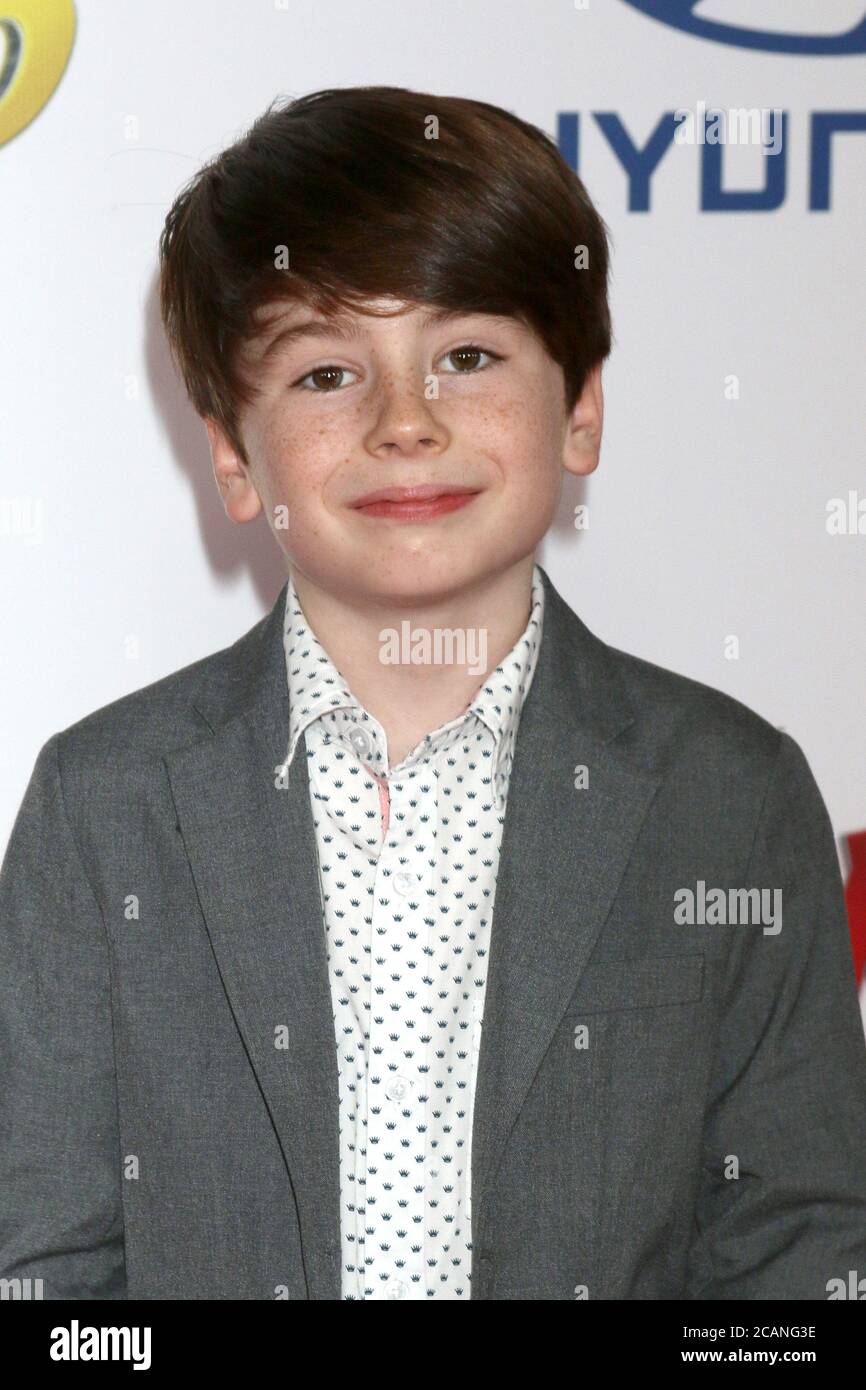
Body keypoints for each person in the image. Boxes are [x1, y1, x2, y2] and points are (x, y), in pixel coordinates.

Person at [2, 85, 865, 1301]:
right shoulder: (104, 804)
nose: (405, 422)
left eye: (466, 357)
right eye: (323, 374)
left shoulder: (728, 790)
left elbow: (795, 1253)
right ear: (235, 460)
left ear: (580, 409)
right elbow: (42, 1271)